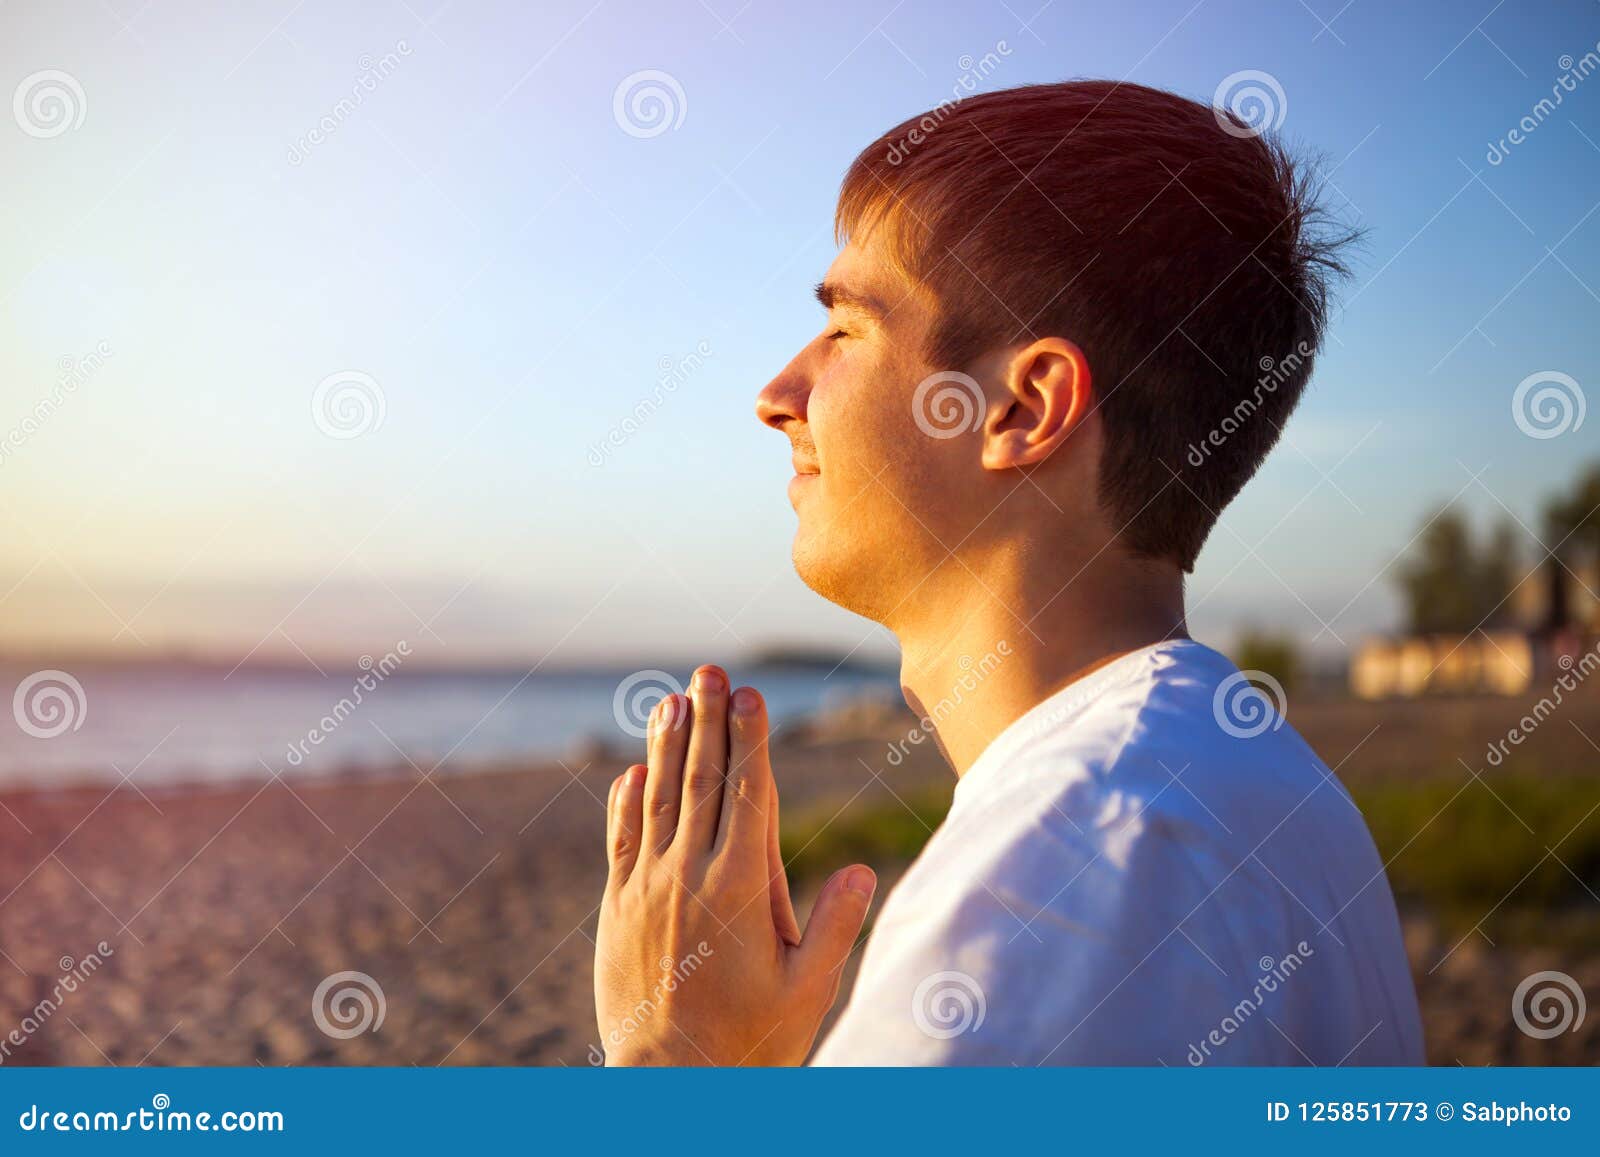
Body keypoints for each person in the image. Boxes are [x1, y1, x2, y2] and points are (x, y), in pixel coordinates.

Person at [592, 80, 1424, 1066]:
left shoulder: (1068, 869)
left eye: (847, 329)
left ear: (1024, 409)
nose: (777, 394)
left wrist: (673, 1056)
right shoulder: (1259, 784)